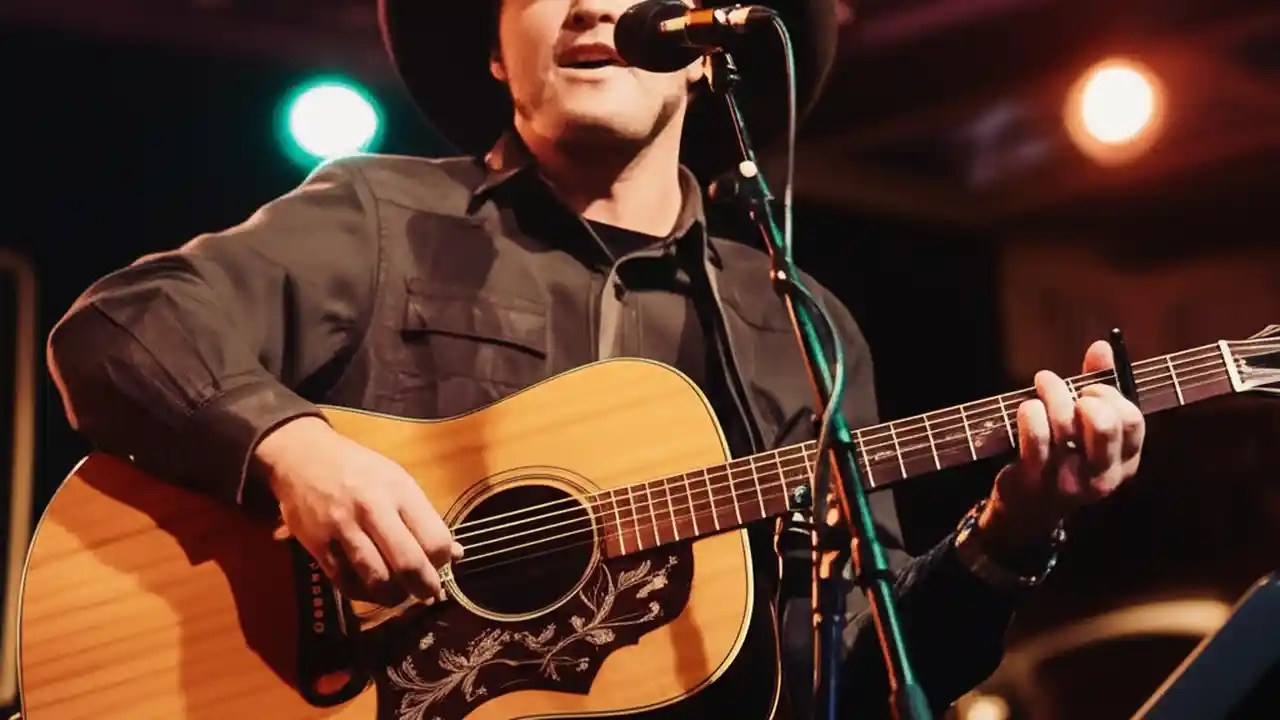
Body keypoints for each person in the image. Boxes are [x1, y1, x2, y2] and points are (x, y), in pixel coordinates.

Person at [45, 0, 1146, 717]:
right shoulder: (378, 214)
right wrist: (292, 449)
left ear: (698, 49)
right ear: (491, 45)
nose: (588, 5)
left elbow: (846, 683)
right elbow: (118, 328)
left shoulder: (796, 327)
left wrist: (1017, 528)